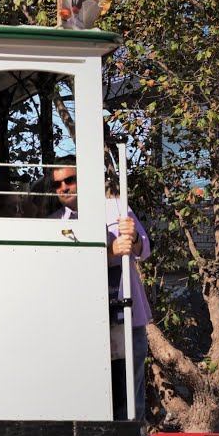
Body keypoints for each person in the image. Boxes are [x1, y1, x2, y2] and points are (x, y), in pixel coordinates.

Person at [49, 157, 151, 421]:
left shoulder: (115, 207)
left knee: (130, 400)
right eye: (58, 184)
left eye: (69, 180)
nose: (64, 188)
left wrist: (134, 238)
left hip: (125, 318)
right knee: (93, 399)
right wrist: (109, 251)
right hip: (84, 323)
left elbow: (144, 250)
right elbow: (63, 269)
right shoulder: (54, 224)